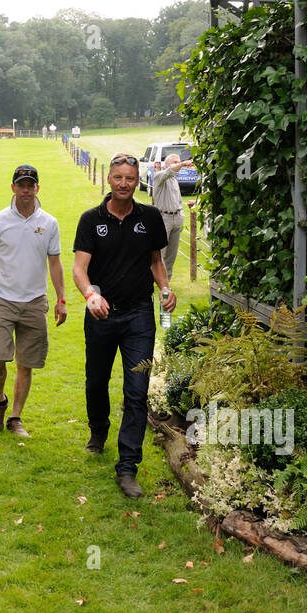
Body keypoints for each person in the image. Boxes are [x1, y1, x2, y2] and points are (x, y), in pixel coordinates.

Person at [72, 153, 176, 499]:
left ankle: (128, 466)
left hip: (139, 317)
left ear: (137, 180)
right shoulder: (91, 220)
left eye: (130, 178)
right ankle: (98, 431)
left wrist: (164, 288)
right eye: (118, 178)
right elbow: (79, 269)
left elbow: (156, 262)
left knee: (136, 390)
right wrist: (90, 295)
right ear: (110, 179)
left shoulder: (149, 218)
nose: (124, 184)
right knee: (96, 382)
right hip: (101, 315)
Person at [0, 164, 67, 436]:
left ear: (37, 188)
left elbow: (55, 262)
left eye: (30, 185)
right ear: (12, 187)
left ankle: (15, 417)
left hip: (35, 301)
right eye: (21, 185)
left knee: (26, 363)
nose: (26, 190)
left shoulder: (49, 223)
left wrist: (61, 298)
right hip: (2, 298)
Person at [151, 151, 189, 284]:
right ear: (166, 164)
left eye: (179, 161)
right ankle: (158, 281)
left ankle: (167, 281)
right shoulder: (159, 176)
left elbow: (178, 199)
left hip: (176, 218)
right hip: (163, 218)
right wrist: (184, 164)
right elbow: (169, 172)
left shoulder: (174, 180)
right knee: (161, 253)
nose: (178, 164)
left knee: (172, 254)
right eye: (175, 162)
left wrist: (181, 213)